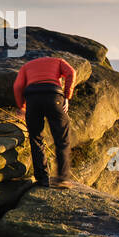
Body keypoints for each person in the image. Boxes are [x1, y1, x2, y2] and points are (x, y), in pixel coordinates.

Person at [14, 55, 77, 187]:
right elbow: (71, 73)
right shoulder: (58, 61)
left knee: (36, 138)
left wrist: (22, 107)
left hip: (33, 99)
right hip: (53, 96)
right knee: (62, 138)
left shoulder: (26, 66)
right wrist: (67, 96)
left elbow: (18, 86)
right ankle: (63, 179)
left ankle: (42, 179)